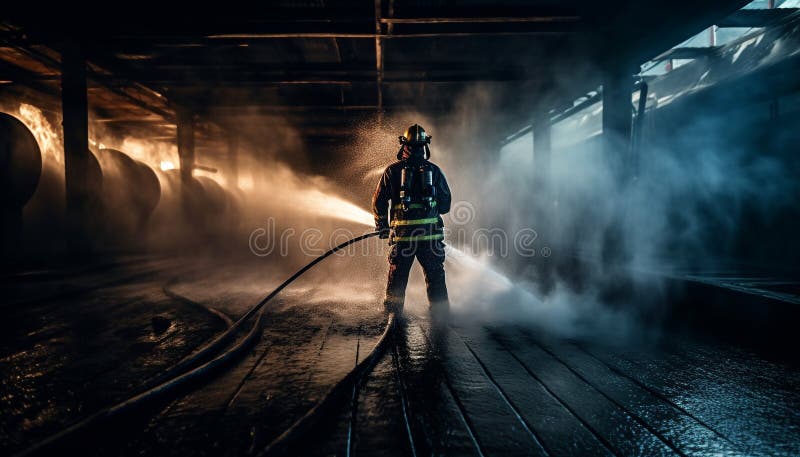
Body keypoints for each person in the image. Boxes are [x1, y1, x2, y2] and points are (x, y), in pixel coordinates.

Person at [372, 124, 452, 319]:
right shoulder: (434, 171)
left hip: (403, 238)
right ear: (425, 145)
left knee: (397, 277)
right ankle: (441, 316)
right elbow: (445, 206)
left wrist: (382, 226)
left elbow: (379, 201)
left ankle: (393, 315)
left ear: (404, 145)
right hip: (430, 237)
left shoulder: (393, 171)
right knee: (435, 277)